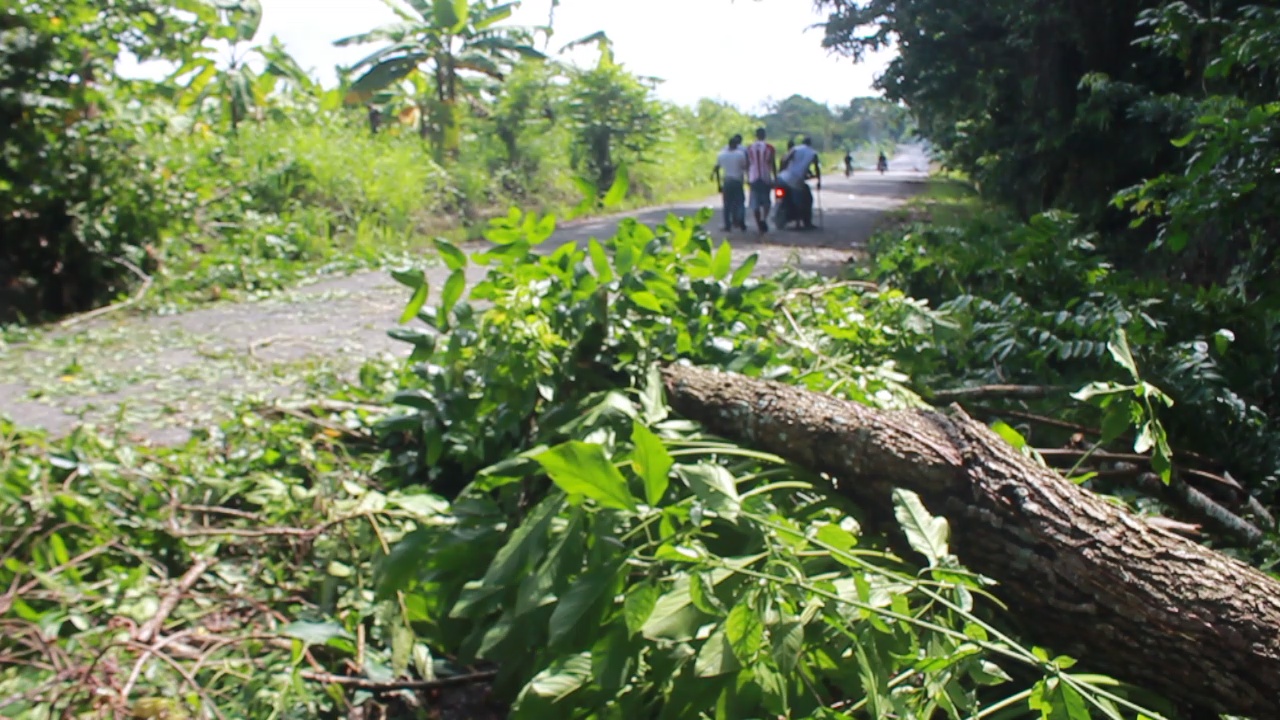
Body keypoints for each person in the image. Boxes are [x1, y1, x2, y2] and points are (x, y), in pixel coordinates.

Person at [776, 136, 821, 229]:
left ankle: (779, 217)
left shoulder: (795, 149)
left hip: (783, 178)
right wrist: (818, 181)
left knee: (779, 198)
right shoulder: (813, 153)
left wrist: (780, 172)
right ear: (810, 143)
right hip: (796, 181)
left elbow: (785, 160)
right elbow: (817, 169)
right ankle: (803, 223)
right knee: (805, 200)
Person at [711, 134, 748, 232]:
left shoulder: (722, 155)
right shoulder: (740, 154)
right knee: (740, 202)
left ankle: (727, 225)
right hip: (737, 180)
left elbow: (717, 169)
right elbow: (745, 167)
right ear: (736, 144)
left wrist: (718, 184)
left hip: (727, 180)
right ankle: (741, 221)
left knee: (727, 204)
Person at [744, 128, 777, 233]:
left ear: (756, 135)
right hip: (765, 176)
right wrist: (775, 177)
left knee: (755, 202)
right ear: (764, 135)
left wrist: (747, 177)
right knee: (766, 201)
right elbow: (772, 163)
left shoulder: (749, 148)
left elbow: (747, 164)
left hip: (753, 177)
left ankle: (759, 224)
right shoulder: (770, 148)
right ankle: (764, 219)